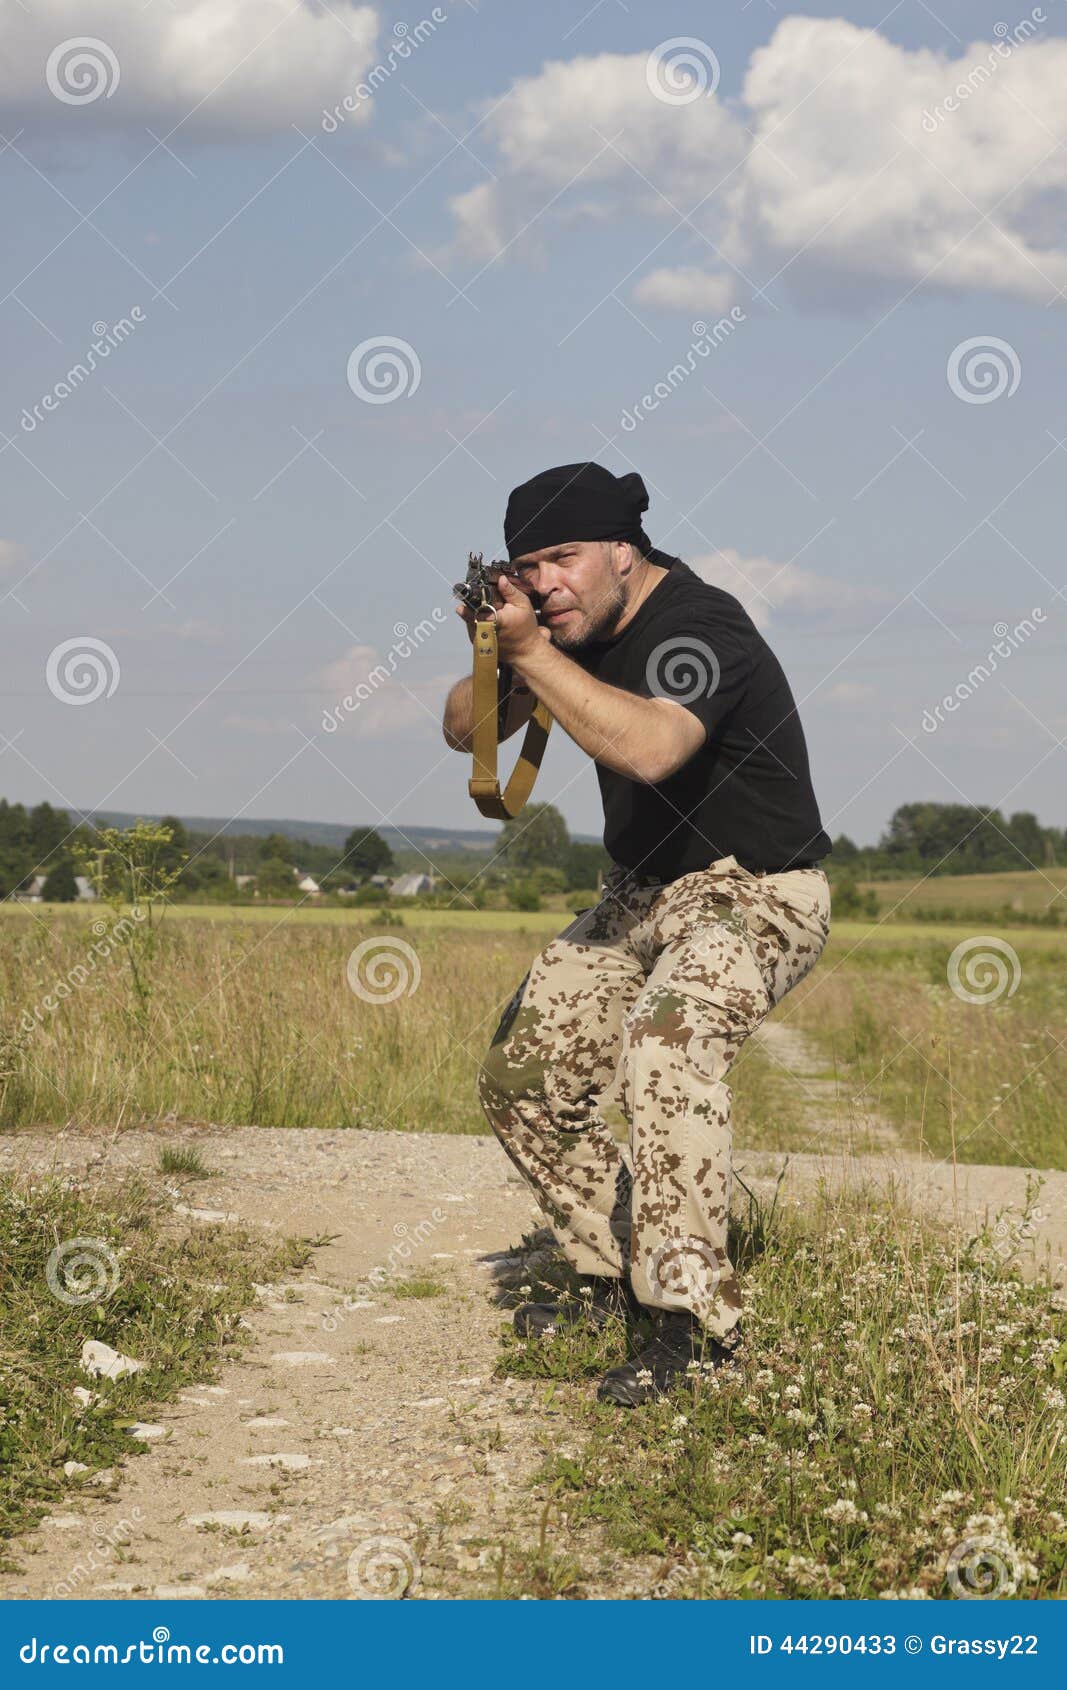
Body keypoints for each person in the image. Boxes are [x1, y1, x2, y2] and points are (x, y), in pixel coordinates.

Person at [442, 462, 832, 1405]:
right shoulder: (562, 632)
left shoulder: (701, 627)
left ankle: (692, 1327)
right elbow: (463, 732)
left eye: (564, 558)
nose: (546, 582)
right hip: (640, 894)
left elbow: (653, 749)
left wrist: (535, 657)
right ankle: (600, 1272)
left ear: (624, 549)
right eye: (527, 565)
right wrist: (496, 650)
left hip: (757, 892)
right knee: (522, 1075)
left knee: (665, 1051)